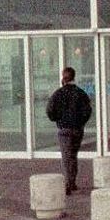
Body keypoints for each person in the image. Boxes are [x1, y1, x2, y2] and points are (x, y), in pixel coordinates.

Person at [45, 66, 93, 194]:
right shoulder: (80, 93)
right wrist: (80, 122)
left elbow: (50, 110)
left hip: (64, 129)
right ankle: (72, 181)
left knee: (66, 156)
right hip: (77, 129)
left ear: (63, 78)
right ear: (74, 77)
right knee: (73, 155)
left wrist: (57, 119)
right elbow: (87, 111)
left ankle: (68, 182)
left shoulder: (58, 93)